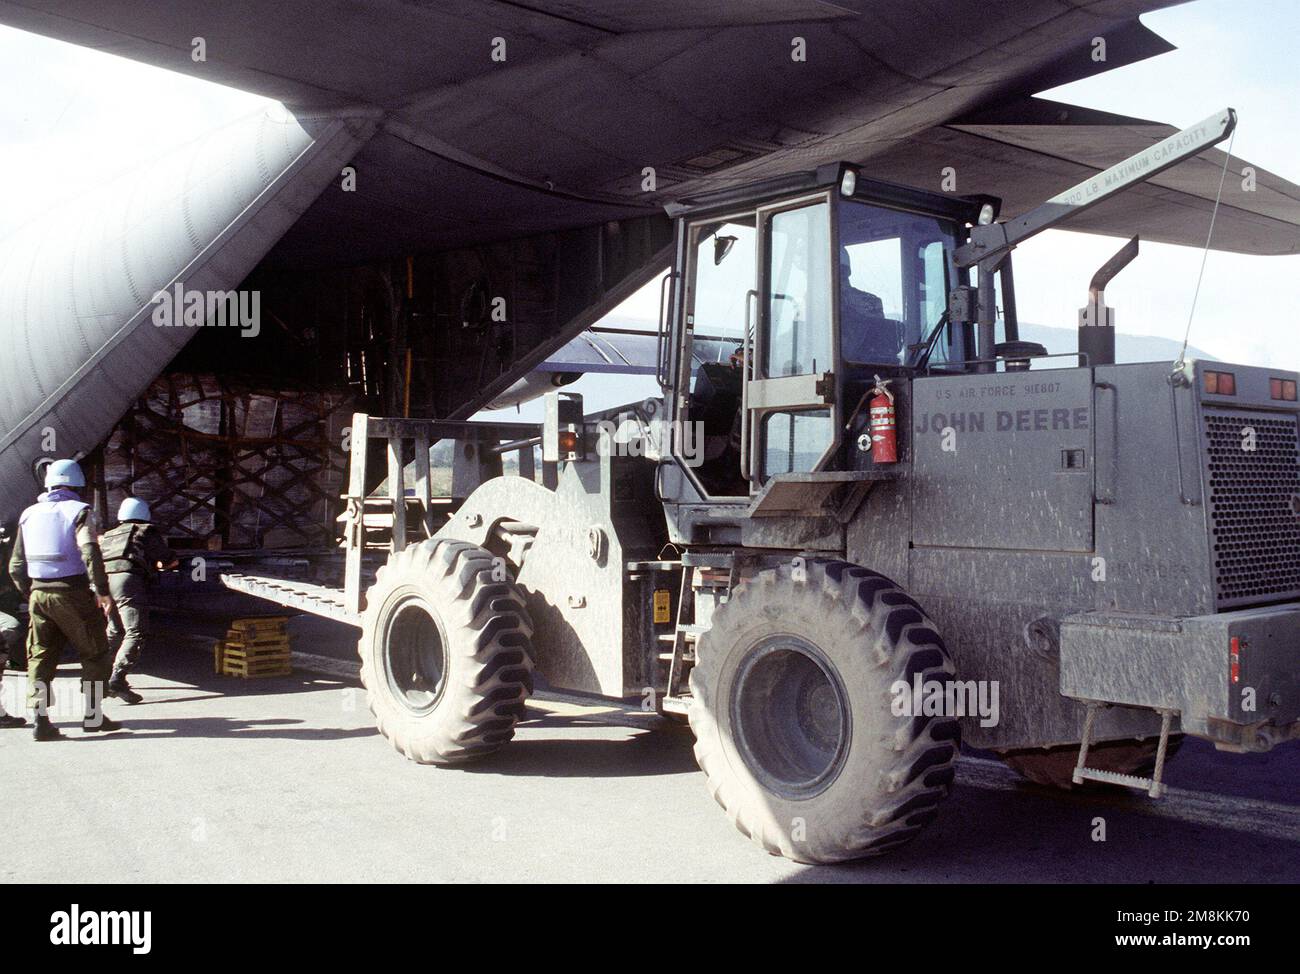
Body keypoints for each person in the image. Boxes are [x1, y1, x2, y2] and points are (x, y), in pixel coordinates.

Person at [8, 458, 124, 740]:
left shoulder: (29, 514)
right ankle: (93, 717)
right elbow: (90, 552)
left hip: (38, 594)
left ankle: (40, 720)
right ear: (77, 485)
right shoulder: (79, 512)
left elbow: (15, 565)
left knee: (40, 656)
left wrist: (31, 591)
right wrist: (102, 591)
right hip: (73, 593)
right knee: (95, 652)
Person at [101, 497, 178, 704]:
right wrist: (165, 564)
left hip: (105, 583)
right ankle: (117, 678)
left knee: (115, 631)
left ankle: (101, 677)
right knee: (135, 631)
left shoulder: (109, 534)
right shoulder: (145, 531)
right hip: (128, 581)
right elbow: (169, 559)